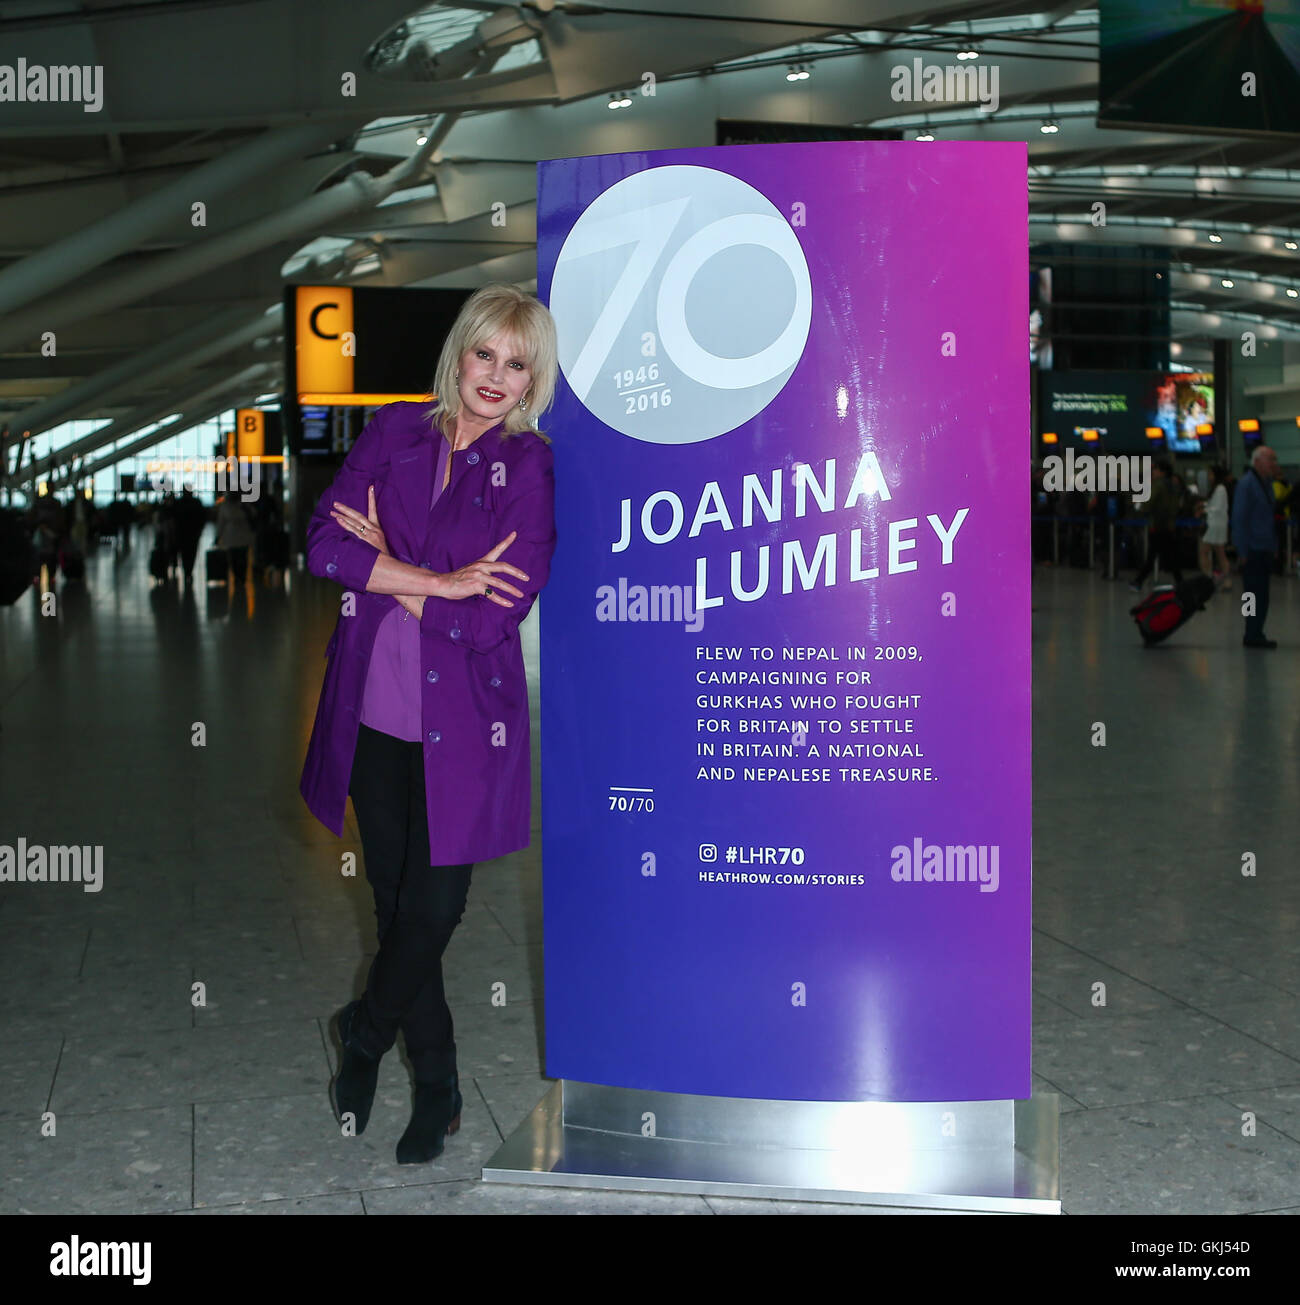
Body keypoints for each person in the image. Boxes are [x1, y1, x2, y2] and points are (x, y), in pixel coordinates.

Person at [299, 283, 558, 1165]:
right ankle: (441, 1086)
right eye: (484, 352)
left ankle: (365, 1031)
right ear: (461, 353)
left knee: (434, 911)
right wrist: (439, 579)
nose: (495, 375)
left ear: (532, 380)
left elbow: (494, 617)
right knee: (395, 903)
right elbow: (321, 547)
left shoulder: (529, 468)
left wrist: (393, 571)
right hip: (373, 710)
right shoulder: (395, 428)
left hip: (466, 730)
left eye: (516, 362)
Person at [1231, 445, 1280, 648]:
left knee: (1263, 594)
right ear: (1258, 462)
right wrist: (1241, 550)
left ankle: (1257, 630)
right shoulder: (1247, 485)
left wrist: (1274, 545)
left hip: (1264, 548)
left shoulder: (1267, 484)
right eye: (1271, 460)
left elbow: (1268, 518)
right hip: (1251, 550)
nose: (1274, 464)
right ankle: (1250, 632)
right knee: (1251, 594)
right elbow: (1239, 519)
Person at [1129, 458, 1182, 592]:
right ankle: (1180, 583)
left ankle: (1138, 582)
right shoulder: (1173, 486)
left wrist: (1139, 507)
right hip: (1169, 526)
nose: (1153, 472)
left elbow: (1148, 502)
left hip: (1157, 525)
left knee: (1152, 556)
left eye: (1156, 469)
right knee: (1170, 556)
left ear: (1162, 472)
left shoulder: (1158, 485)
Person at [1198, 465, 1230, 590]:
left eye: (1210, 474)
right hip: (1217, 524)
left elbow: (1217, 507)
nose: (1209, 477)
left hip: (1215, 525)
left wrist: (1204, 509)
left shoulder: (1220, 489)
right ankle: (1224, 580)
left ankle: (1208, 578)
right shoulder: (1218, 489)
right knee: (1220, 553)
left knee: (1204, 552)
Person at [214, 490, 254, 585]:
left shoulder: (232, 506)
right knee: (239, 558)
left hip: (234, 537)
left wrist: (218, 536)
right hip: (240, 537)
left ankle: (239, 577)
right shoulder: (243, 506)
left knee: (237, 558)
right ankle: (240, 577)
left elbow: (221, 523)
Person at [173, 486, 207, 585]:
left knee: (184, 554)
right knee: (192, 553)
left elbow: (174, 518)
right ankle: (189, 571)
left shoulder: (179, 503)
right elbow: (202, 517)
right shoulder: (196, 503)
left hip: (182, 533)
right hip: (193, 533)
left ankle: (187, 571)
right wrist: (200, 530)